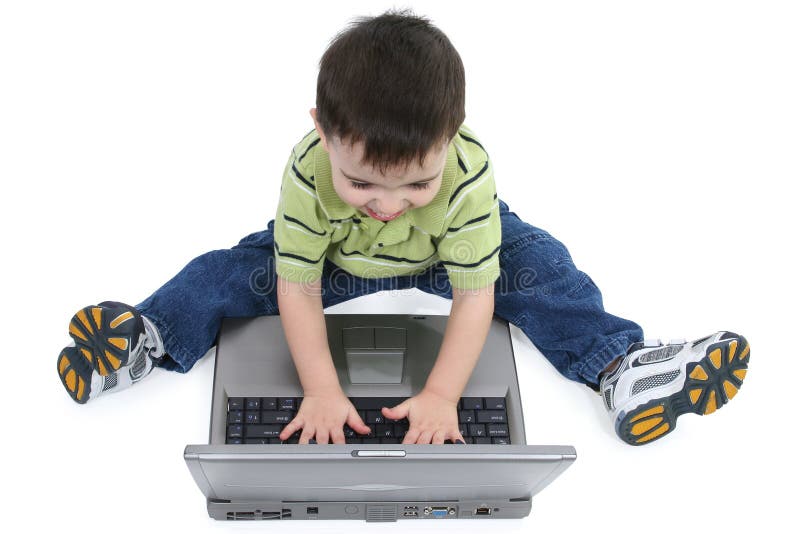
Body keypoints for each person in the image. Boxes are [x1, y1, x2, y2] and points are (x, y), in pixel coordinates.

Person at [55, 9, 749, 446]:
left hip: (450, 260)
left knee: (542, 272)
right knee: (233, 272)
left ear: (452, 136)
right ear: (322, 133)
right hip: (335, 259)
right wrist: (322, 389)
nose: (389, 206)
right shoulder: (305, 173)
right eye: (361, 183)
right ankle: (143, 339)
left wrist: (443, 396)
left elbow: (477, 295)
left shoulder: (470, 174)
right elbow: (296, 290)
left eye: (419, 183)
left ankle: (622, 368)